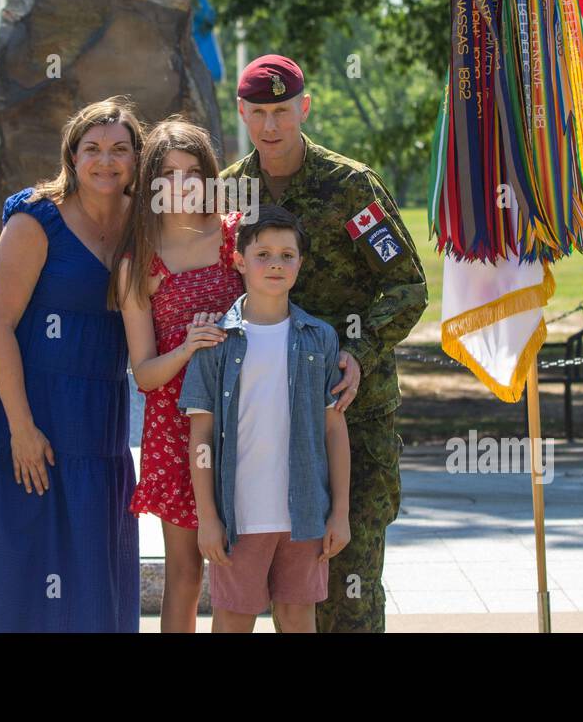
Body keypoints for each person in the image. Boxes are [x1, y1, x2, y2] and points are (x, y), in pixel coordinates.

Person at [220, 54, 429, 633]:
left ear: (303, 108)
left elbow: (407, 286)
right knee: (279, 590)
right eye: (258, 113)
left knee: (349, 583)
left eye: (282, 111)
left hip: (348, 410)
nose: (270, 126)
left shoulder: (351, 188)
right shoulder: (231, 193)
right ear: (241, 113)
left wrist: (357, 354)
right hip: (263, 423)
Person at [0, 97, 145, 632]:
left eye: (119, 149)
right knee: (21, 568)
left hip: (97, 417)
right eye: (92, 148)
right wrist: (21, 428)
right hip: (26, 409)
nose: (105, 161)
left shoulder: (144, 223)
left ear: (137, 158)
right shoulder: (35, 219)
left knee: (94, 565)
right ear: (72, 155)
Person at [178, 204, 351, 633]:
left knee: (297, 619)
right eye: (263, 254)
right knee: (233, 620)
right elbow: (200, 437)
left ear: (300, 264)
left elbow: (334, 429)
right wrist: (209, 518)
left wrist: (340, 512)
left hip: (305, 515)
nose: (276, 264)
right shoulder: (215, 341)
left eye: (287, 256)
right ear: (239, 260)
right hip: (239, 516)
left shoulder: (320, 337)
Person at [110, 117, 245, 632]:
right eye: (167, 173)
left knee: (236, 570)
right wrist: (188, 347)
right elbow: (143, 374)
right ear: (149, 182)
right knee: (186, 573)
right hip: (173, 430)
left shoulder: (236, 234)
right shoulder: (137, 263)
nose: (181, 184)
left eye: (193, 171)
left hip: (243, 418)